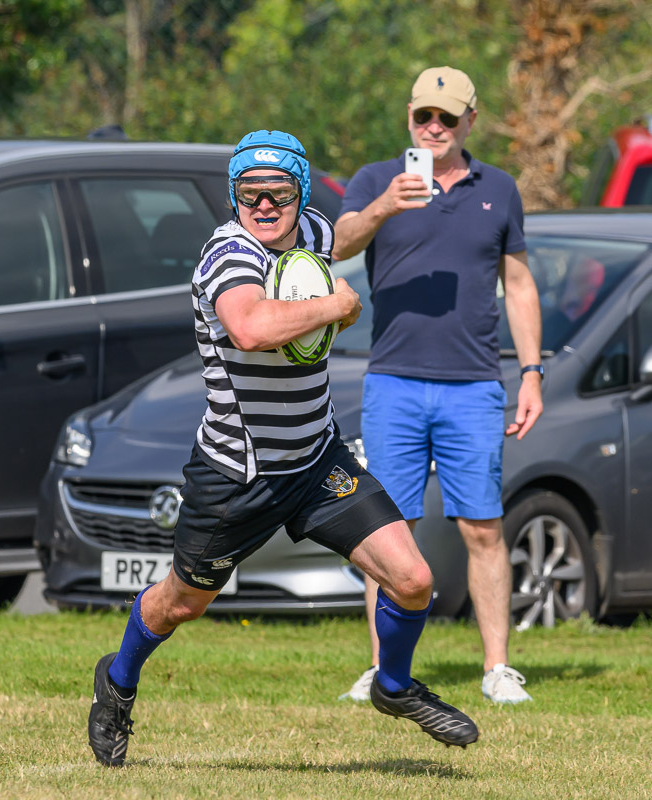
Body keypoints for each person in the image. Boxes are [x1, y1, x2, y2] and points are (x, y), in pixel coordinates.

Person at [87, 130, 479, 768]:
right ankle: (118, 680)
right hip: (240, 475)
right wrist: (336, 304)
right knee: (181, 603)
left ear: (301, 194)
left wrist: (380, 209)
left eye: (278, 193)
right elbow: (249, 326)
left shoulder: (310, 233)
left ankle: (393, 685)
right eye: (249, 194)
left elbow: (339, 239)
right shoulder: (230, 255)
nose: (263, 206)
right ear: (233, 196)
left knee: (413, 579)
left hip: (317, 460)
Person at [331, 66, 544, 706]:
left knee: (482, 528)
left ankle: (497, 669)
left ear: (470, 121)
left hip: (473, 386)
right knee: (386, 532)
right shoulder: (376, 179)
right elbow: (336, 246)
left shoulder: (498, 189)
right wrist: (383, 206)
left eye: (447, 118)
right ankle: (381, 669)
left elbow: (520, 286)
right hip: (393, 384)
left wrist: (531, 373)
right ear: (409, 116)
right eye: (424, 115)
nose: (434, 127)